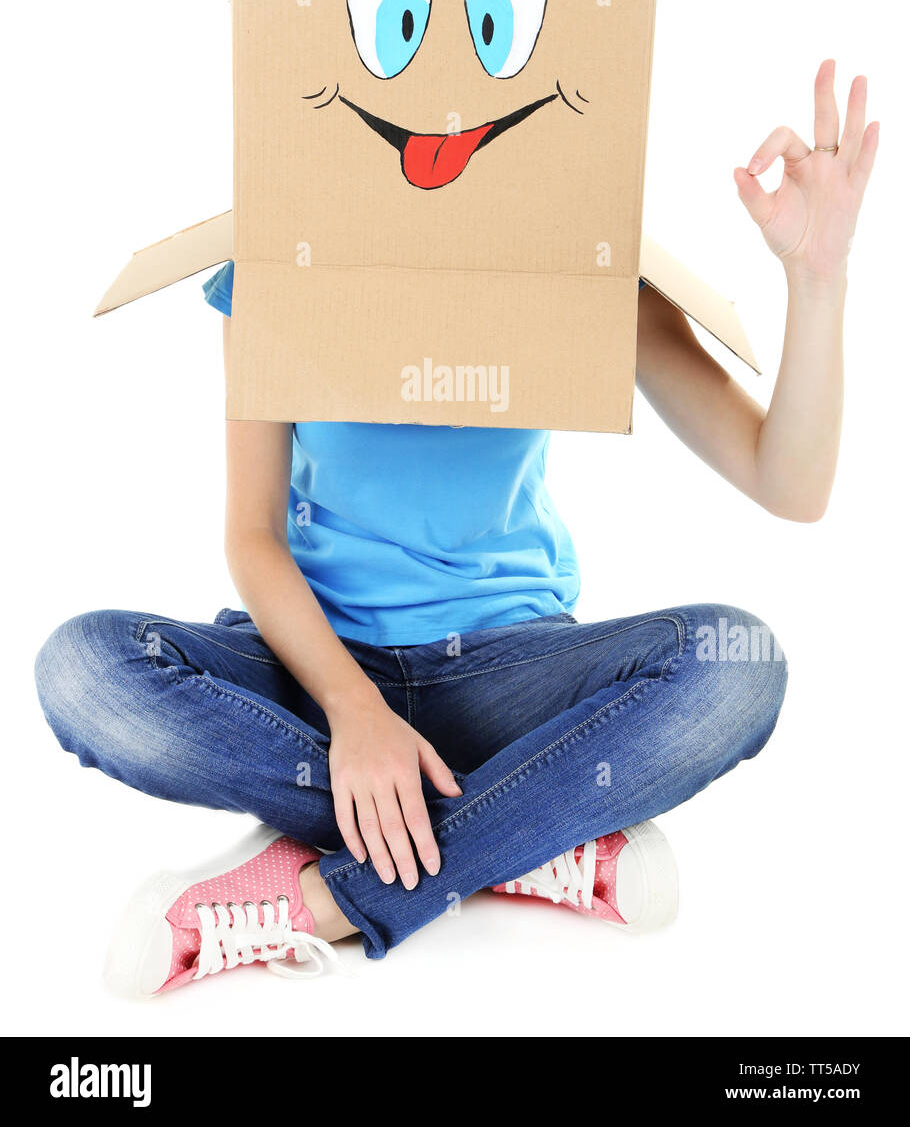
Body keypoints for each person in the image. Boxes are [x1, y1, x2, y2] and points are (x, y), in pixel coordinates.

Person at [35, 62, 877, 995]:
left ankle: (325, 897)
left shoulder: (580, 265)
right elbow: (252, 538)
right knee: (86, 668)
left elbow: (790, 483)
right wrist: (357, 713)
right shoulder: (280, 261)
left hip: (511, 671)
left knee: (739, 662)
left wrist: (819, 277)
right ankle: (519, 833)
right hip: (318, 670)